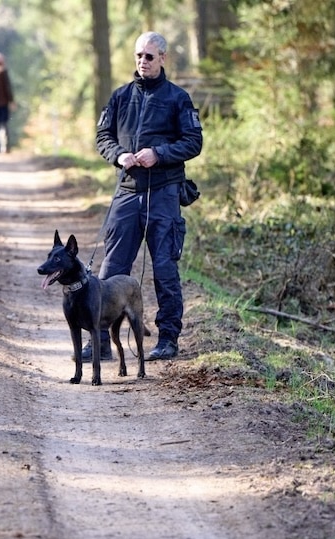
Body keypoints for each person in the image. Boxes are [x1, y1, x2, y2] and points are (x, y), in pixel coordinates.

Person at [90, 31, 203, 361]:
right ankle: (98, 342)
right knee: (111, 271)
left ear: (163, 58)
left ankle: (168, 339)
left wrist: (159, 153)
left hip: (164, 193)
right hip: (126, 193)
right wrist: (119, 155)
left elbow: (193, 142)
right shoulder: (120, 97)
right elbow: (102, 137)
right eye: (139, 55)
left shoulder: (178, 98)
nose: (143, 61)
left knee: (165, 269)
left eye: (149, 56)